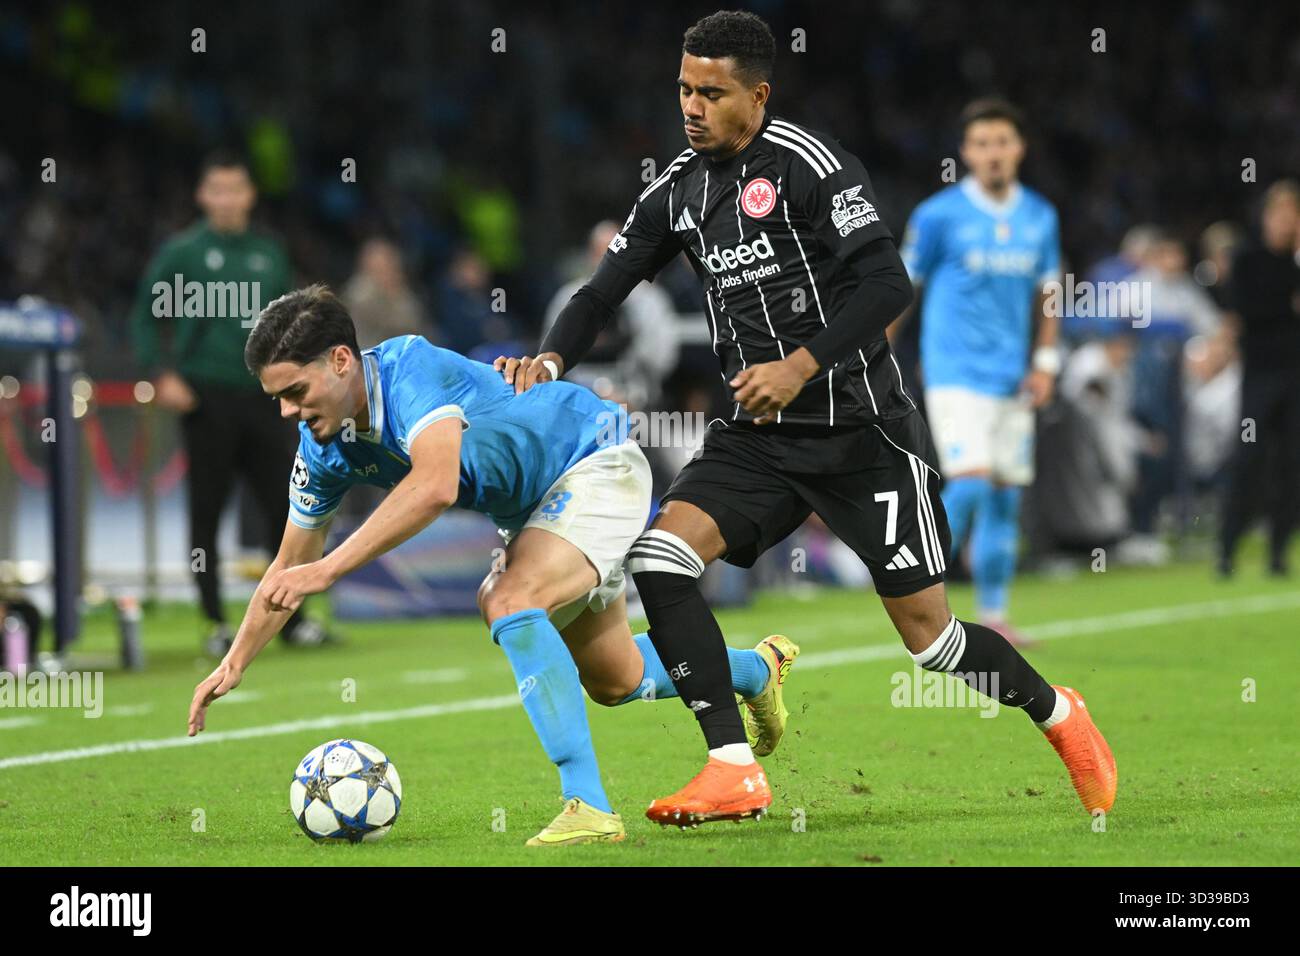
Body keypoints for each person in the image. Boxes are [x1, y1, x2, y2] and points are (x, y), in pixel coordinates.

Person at [496, 10, 1116, 826]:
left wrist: (798, 366)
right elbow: (598, 295)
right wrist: (547, 362)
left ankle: (1057, 712)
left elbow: (888, 284)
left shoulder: (808, 165)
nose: (691, 106)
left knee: (931, 641)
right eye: (683, 89)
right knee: (661, 559)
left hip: (864, 434)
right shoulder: (677, 190)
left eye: (711, 93)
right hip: (759, 441)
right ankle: (731, 767)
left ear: (757, 94)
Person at [187, 284, 784, 846]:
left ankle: (589, 806)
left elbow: (435, 485)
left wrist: (330, 568)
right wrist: (235, 662)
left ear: (341, 359)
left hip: (590, 457)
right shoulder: (322, 446)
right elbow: (290, 565)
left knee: (507, 597)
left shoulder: (407, 371)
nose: (288, 411)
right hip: (536, 508)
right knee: (614, 680)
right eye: (278, 399)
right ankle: (755, 671)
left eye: (295, 392)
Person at [129, 150, 333, 655]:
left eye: (234, 189)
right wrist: (161, 373)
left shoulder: (269, 252)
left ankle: (293, 619)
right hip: (208, 398)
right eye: (216, 190)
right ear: (203, 196)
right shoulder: (184, 253)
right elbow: (143, 315)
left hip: (269, 400)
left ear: (249, 195)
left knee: (287, 509)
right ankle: (215, 621)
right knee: (207, 512)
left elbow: (295, 323)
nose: (225, 199)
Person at [892, 98, 1063, 647]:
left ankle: (994, 615)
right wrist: (874, 351)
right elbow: (902, 289)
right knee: (969, 483)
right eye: (982, 143)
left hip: (1012, 377)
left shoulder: (1040, 216)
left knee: (1005, 495)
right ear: (966, 152)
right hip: (953, 372)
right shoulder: (938, 215)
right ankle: (913, 591)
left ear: (1019, 149)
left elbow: (1049, 294)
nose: (993, 153)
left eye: (1003, 142)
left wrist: (1044, 363)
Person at [1218, 180, 1300, 577]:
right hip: (1260, 376)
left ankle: (1278, 551)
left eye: (1293, 213)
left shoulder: (1296, 262)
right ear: (1267, 216)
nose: (1287, 220)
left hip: (1295, 378)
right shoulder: (1248, 260)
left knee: (1292, 464)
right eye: (1280, 212)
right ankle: (1227, 548)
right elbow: (1244, 313)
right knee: (1248, 459)